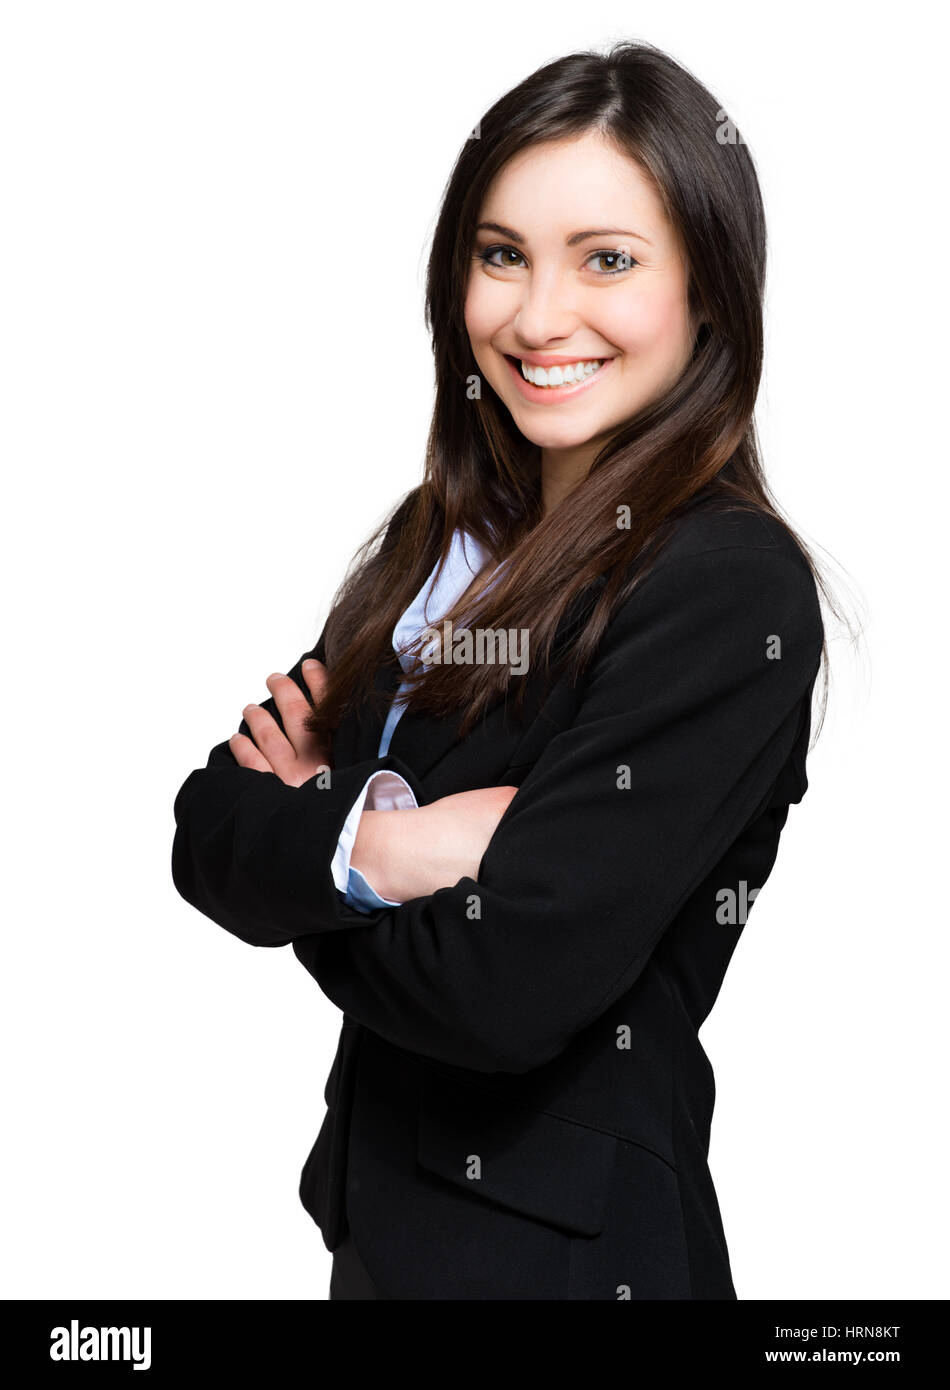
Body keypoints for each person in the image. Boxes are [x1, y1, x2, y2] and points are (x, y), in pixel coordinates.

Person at [171, 40, 836, 1300]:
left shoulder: (725, 586)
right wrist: (382, 848)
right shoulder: (436, 541)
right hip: (380, 1239)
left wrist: (308, 855)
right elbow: (209, 826)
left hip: (558, 1267)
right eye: (499, 254)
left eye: (608, 259)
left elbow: (504, 988)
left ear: (705, 287)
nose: (537, 318)